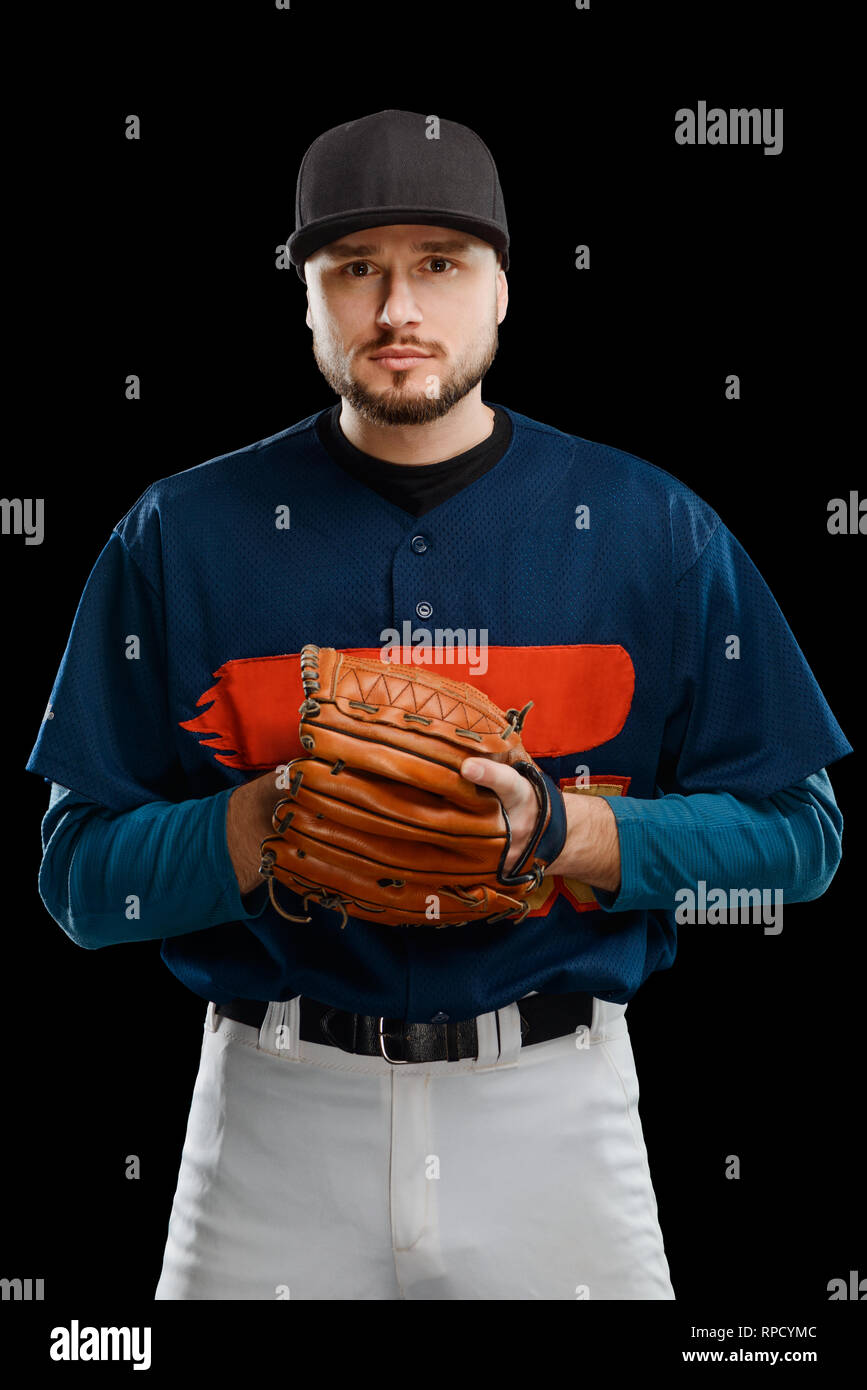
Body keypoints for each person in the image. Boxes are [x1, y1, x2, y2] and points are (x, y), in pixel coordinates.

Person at [26, 109, 852, 1301]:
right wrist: (261, 826)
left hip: (555, 1107)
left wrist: (567, 832)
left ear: (504, 289)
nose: (396, 310)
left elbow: (803, 840)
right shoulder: (181, 532)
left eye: (438, 265)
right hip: (273, 1112)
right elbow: (75, 881)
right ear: (307, 296)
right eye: (355, 269)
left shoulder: (652, 527)